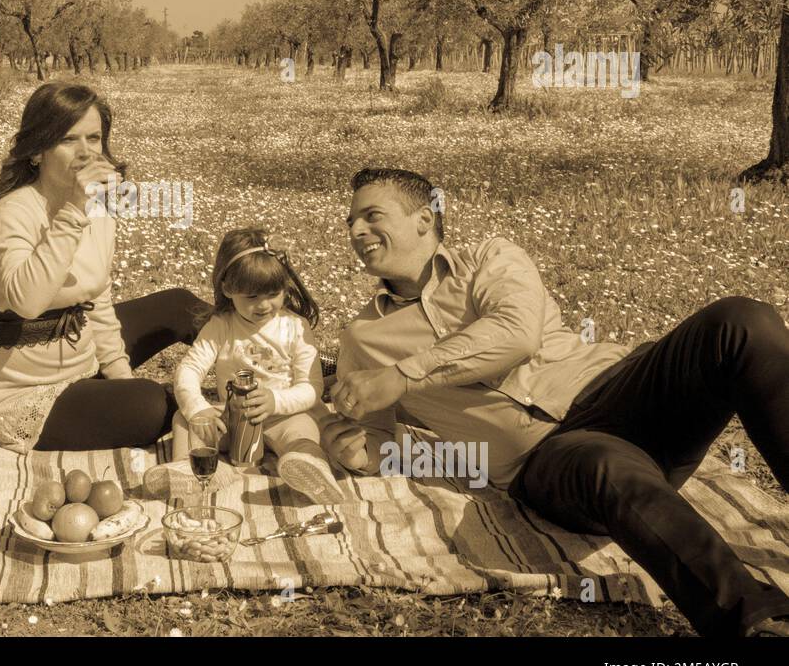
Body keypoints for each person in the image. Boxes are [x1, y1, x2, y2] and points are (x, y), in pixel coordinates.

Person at [327, 166, 789, 638]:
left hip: (621, 386)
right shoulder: (363, 340)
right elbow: (380, 440)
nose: (356, 231)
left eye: (370, 216)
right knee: (605, 463)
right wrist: (355, 450)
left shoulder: (491, 256)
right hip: (551, 457)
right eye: (351, 222)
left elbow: (517, 334)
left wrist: (405, 375)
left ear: (424, 219)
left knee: (740, 321)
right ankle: (757, 622)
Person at [0, 81, 207, 453]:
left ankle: (277, 355)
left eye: (93, 139)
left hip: (78, 351)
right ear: (37, 151)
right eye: (67, 139)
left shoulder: (99, 207)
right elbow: (28, 301)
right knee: (152, 405)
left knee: (178, 305)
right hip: (22, 391)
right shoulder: (10, 215)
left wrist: (118, 373)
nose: (84, 152)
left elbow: (97, 299)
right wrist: (74, 210)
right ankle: (197, 410)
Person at [170, 228, 342, 504]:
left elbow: (312, 387)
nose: (263, 305)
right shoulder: (222, 326)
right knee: (184, 419)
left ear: (285, 287)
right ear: (228, 289)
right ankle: (186, 471)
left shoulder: (296, 327)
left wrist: (276, 401)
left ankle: (310, 470)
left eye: (273, 294)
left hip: (284, 416)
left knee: (303, 431)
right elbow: (189, 370)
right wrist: (199, 409)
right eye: (251, 297)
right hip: (234, 418)